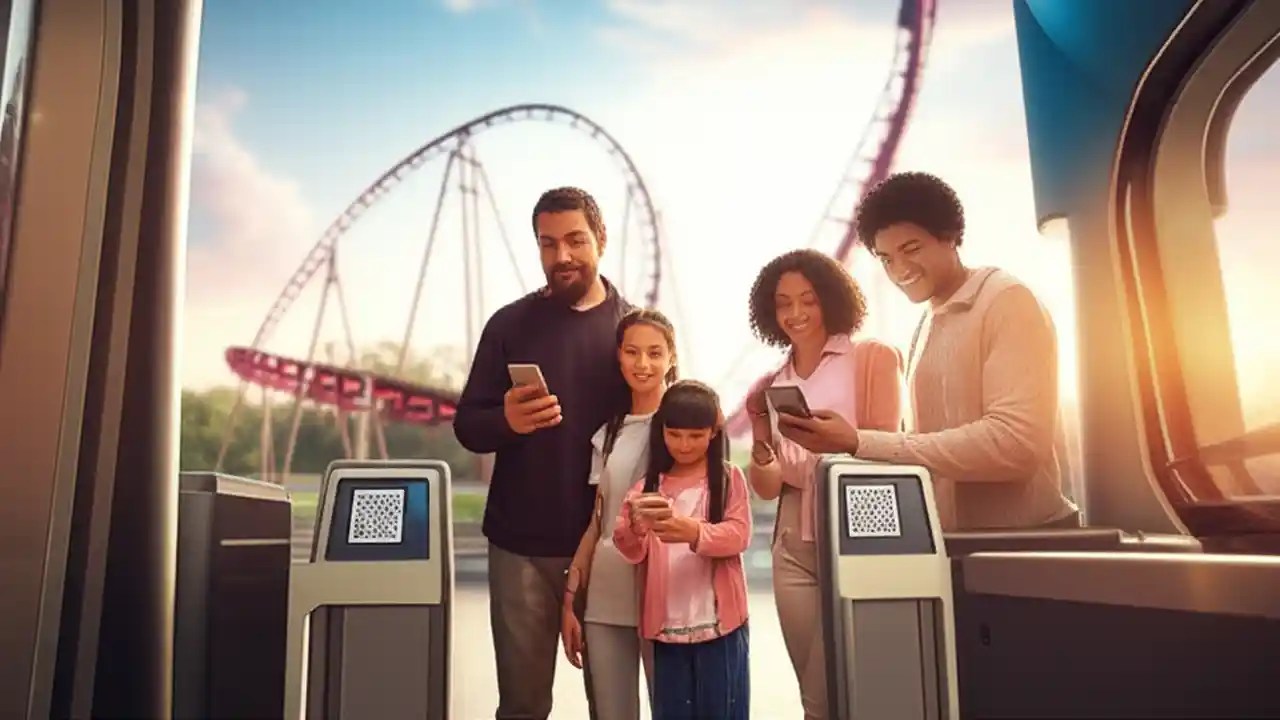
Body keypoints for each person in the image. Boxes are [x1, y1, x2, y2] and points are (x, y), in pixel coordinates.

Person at [777, 171, 1078, 531]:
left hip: (1027, 546)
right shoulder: (926, 324)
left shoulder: (1007, 301)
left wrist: (860, 441)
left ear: (949, 236)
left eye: (911, 249)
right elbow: (927, 451)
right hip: (954, 547)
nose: (900, 269)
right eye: (886, 259)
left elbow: (1016, 444)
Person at [453, 186, 633, 719]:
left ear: (601, 239)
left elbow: (667, 435)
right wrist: (505, 420)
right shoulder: (509, 324)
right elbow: (468, 426)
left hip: (607, 545)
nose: (562, 256)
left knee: (614, 705)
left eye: (575, 240)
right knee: (522, 705)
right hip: (519, 546)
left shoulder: (637, 332)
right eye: (547, 243)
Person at [741, 248, 903, 719]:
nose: (795, 314)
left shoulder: (872, 357)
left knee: (854, 690)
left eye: (807, 300)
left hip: (856, 535)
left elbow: (888, 450)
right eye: (783, 303)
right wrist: (760, 448)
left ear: (830, 299)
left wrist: (838, 442)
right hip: (793, 545)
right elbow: (769, 487)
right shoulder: (771, 384)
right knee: (814, 697)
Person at [560, 308, 678, 719]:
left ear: (671, 358)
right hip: (607, 594)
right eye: (632, 352)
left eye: (654, 353)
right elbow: (598, 522)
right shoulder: (610, 432)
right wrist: (571, 599)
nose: (642, 364)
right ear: (619, 357)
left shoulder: (687, 427)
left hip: (668, 596)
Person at [613, 380, 753, 719]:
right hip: (667, 631)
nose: (684, 445)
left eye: (695, 435)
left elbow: (739, 535)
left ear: (712, 433)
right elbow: (627, 546)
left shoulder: (728, 479)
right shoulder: (645, 488)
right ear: (661, 432)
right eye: (674, 434)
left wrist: (693, 532)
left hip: (721, 628)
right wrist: (635, 525)